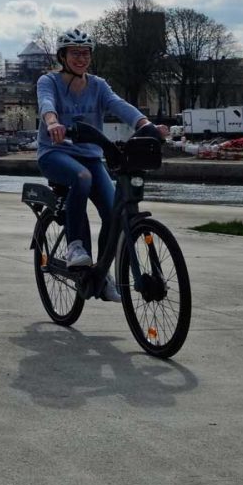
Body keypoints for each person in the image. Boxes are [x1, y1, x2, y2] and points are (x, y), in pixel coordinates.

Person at [36, 28, 168, 300]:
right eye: (75, 53)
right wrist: (52, 122)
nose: (81, 58)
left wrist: (146, 125)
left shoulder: (98, 85)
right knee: (81, 177)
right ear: (63, 56)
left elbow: (119, 104)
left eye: (85, 53)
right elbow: (46, 103)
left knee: (114, 212)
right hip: (55, 152)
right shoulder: (48, 81)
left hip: (91, 155)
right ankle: (76, 246)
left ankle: (101, 272)